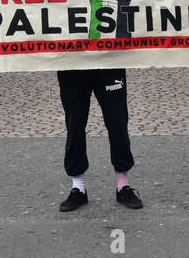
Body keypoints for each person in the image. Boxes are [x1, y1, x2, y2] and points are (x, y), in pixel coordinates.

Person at [56, 67, 141, 211]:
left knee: (117, 123)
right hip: (73, 64)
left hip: (108, 62)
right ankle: (78, 187)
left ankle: (123, 185)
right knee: (74, 125)